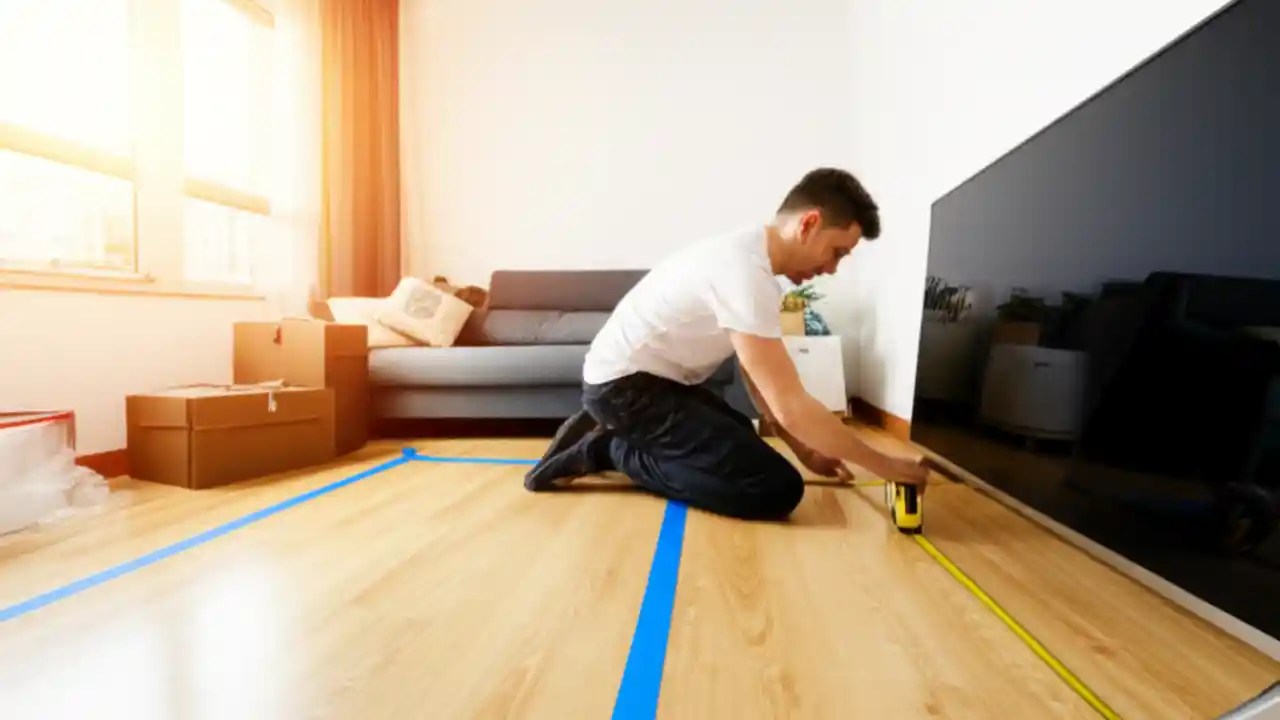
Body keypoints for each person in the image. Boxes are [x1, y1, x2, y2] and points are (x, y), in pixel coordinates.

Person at [523, 167, 930, 520]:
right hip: (626, 390)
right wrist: (887, 466)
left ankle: (613, 431)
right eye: (836, 252)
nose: (831, 268)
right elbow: (791, 405)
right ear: (808, 224)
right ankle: (608, 448)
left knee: (739, 435)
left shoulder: (748, 257)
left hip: (647, 384)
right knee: (773, 488)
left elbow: (761, 380)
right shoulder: (743, 272)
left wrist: (804, 451)